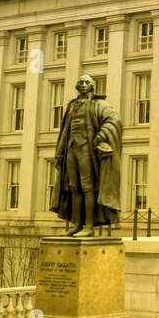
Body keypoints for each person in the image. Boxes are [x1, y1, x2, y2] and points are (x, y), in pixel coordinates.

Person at [50, 74, 122, 236]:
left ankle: (89, 226)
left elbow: (114, 120)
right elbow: (65, 130)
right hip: (71, 148)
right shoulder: (72, 106)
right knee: (73, 186)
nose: (83, 84)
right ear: (77, 85)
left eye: (87, 82)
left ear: (92, 86)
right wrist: (60, 151)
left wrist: (101, 137)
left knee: (87, 186)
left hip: (86, 149)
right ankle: (77, 223)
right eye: (81, 82)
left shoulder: (99, 104)